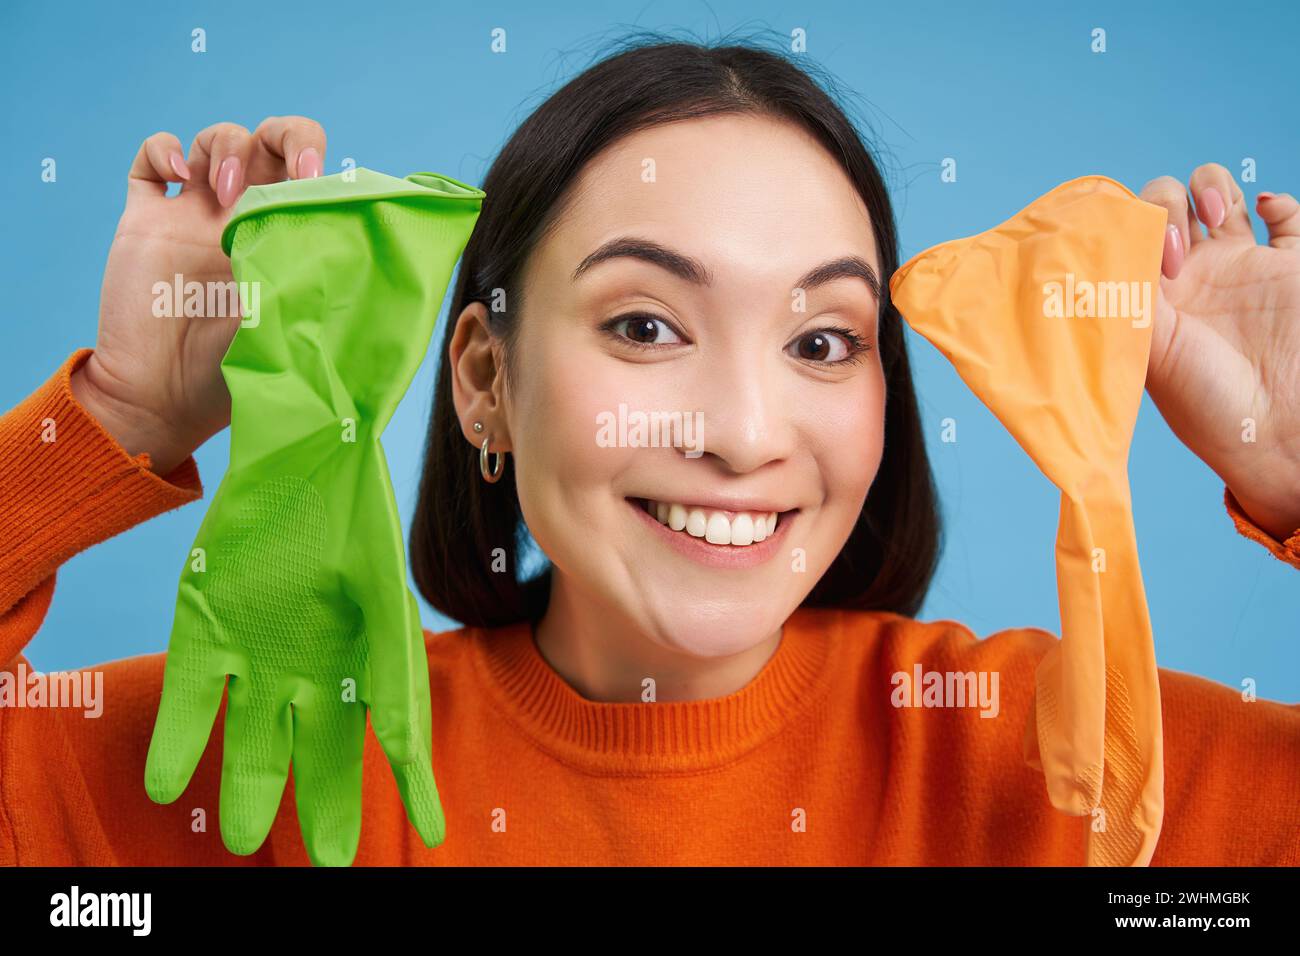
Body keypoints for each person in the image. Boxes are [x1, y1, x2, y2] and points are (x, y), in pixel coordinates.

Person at [1, 39, 1297, 866]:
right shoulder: (283, 763)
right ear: (485, 383)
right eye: (644, 324)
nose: (739, 433)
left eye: (824, 342)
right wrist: (120, 412)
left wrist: (1285, 460)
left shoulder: (1065, 762)